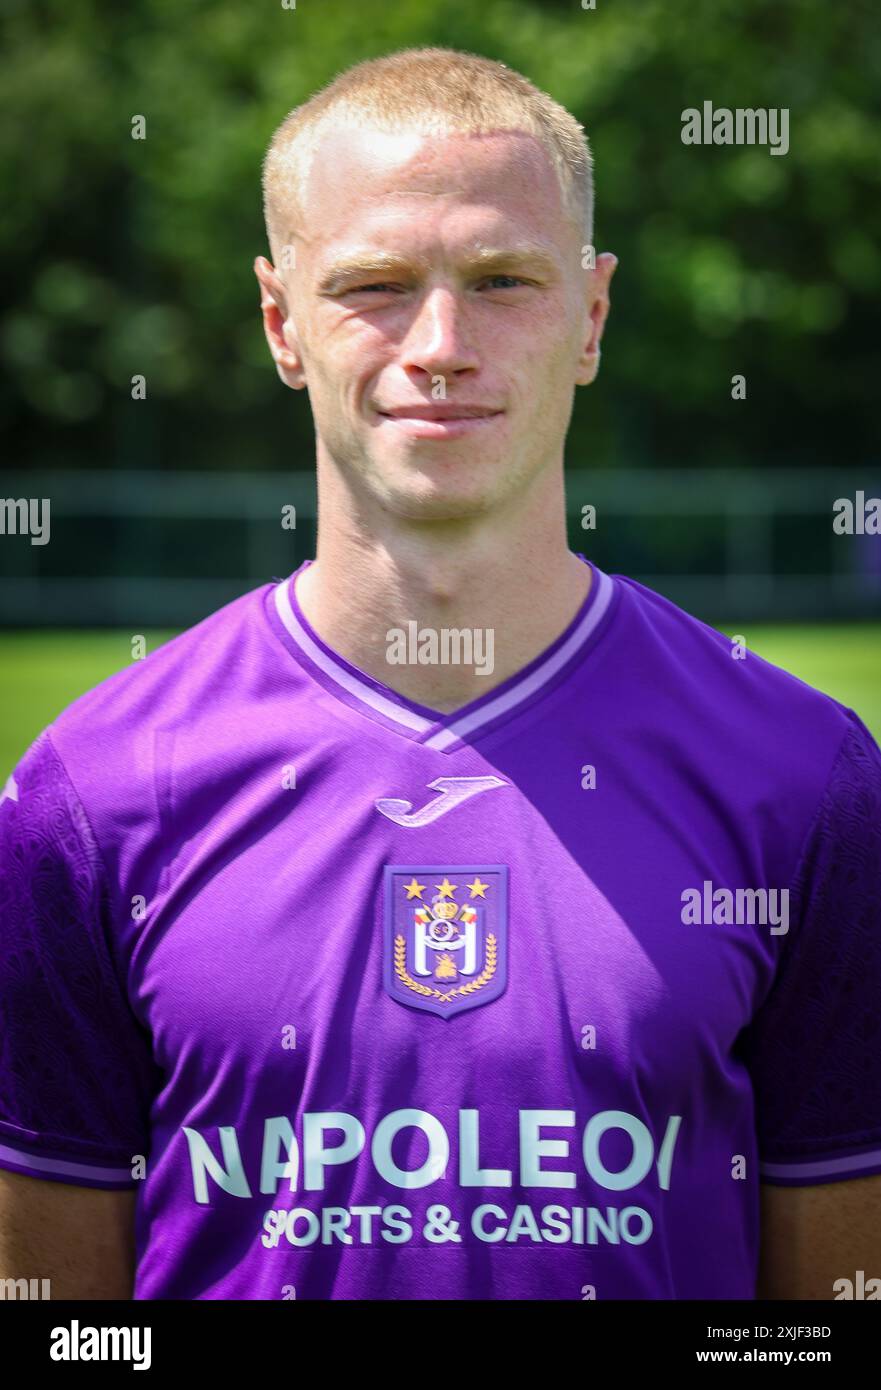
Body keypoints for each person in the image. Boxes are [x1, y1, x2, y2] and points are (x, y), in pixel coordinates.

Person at [1, 47, 879, 1301]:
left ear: (590, 314)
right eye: (372, 284)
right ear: (277, 321)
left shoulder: (804, 780)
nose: (441, 345)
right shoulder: (89, 795)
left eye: (503, 279)